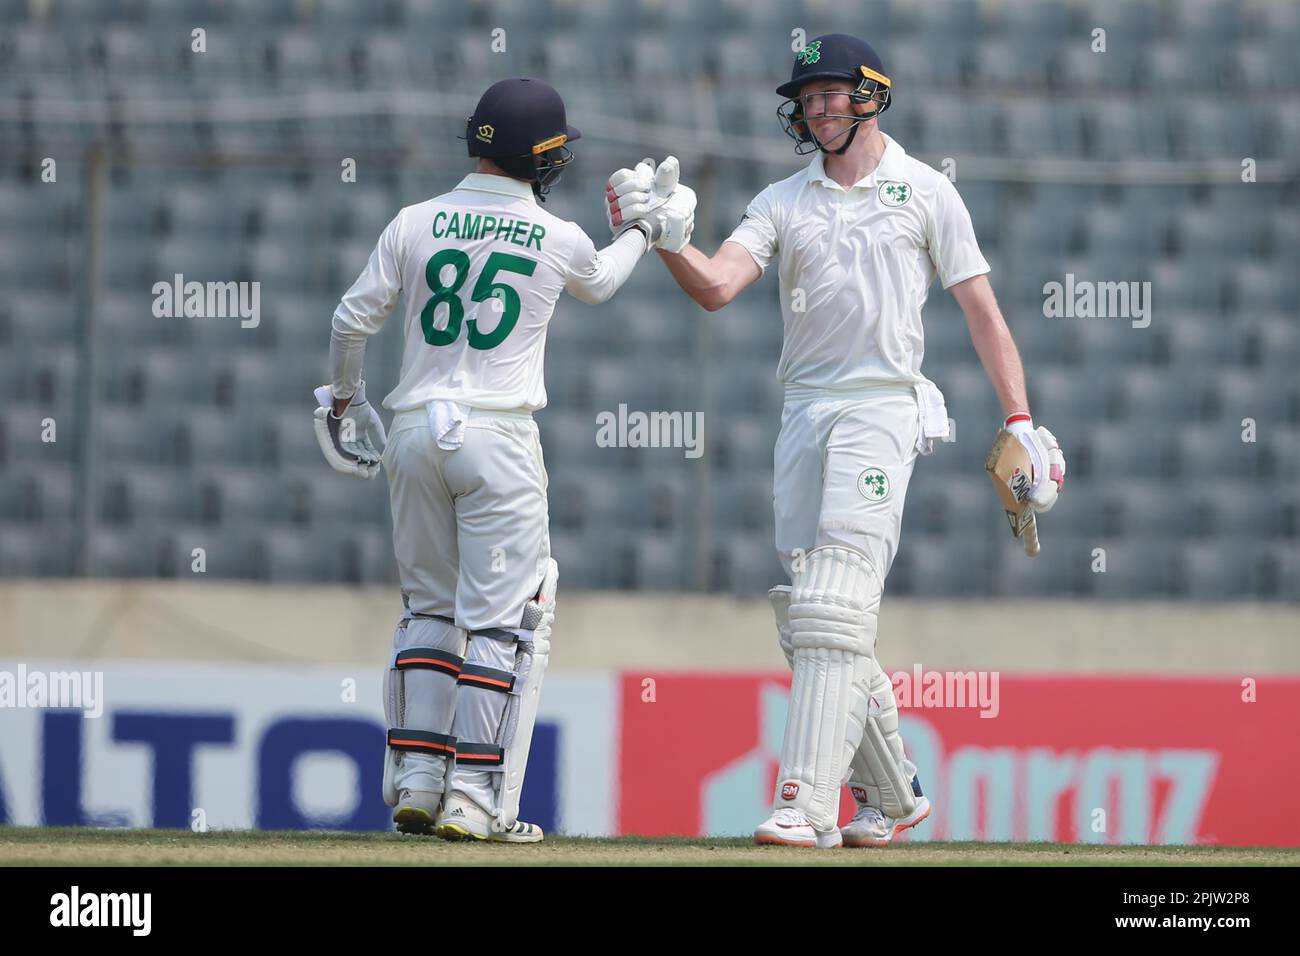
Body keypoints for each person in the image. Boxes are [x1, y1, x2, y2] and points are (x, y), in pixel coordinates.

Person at [607, 34, 1065, 848]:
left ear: (871, 96)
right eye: (807, 97)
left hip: (882, 409)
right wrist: (664, 239)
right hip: (804, 413)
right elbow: (717, 288)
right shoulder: (783, 199)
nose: (818, 109)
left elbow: (982, 313)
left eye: (832, 94)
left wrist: (1020, 419)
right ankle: (894, 798)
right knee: (818, 618)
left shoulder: (927, 192)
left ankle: (805, 805)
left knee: (832, 603)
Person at [313, 76, 695, 842]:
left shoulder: (414, 220)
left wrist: (347, 399)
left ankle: (419, 781)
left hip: (414, 428)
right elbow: (605, 281)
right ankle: (474, 796)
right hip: (498, 435)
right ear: (544, 158)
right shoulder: (556, 237)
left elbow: (351, 316)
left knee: (428, 610)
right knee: (497, 624)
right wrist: (648, 231)